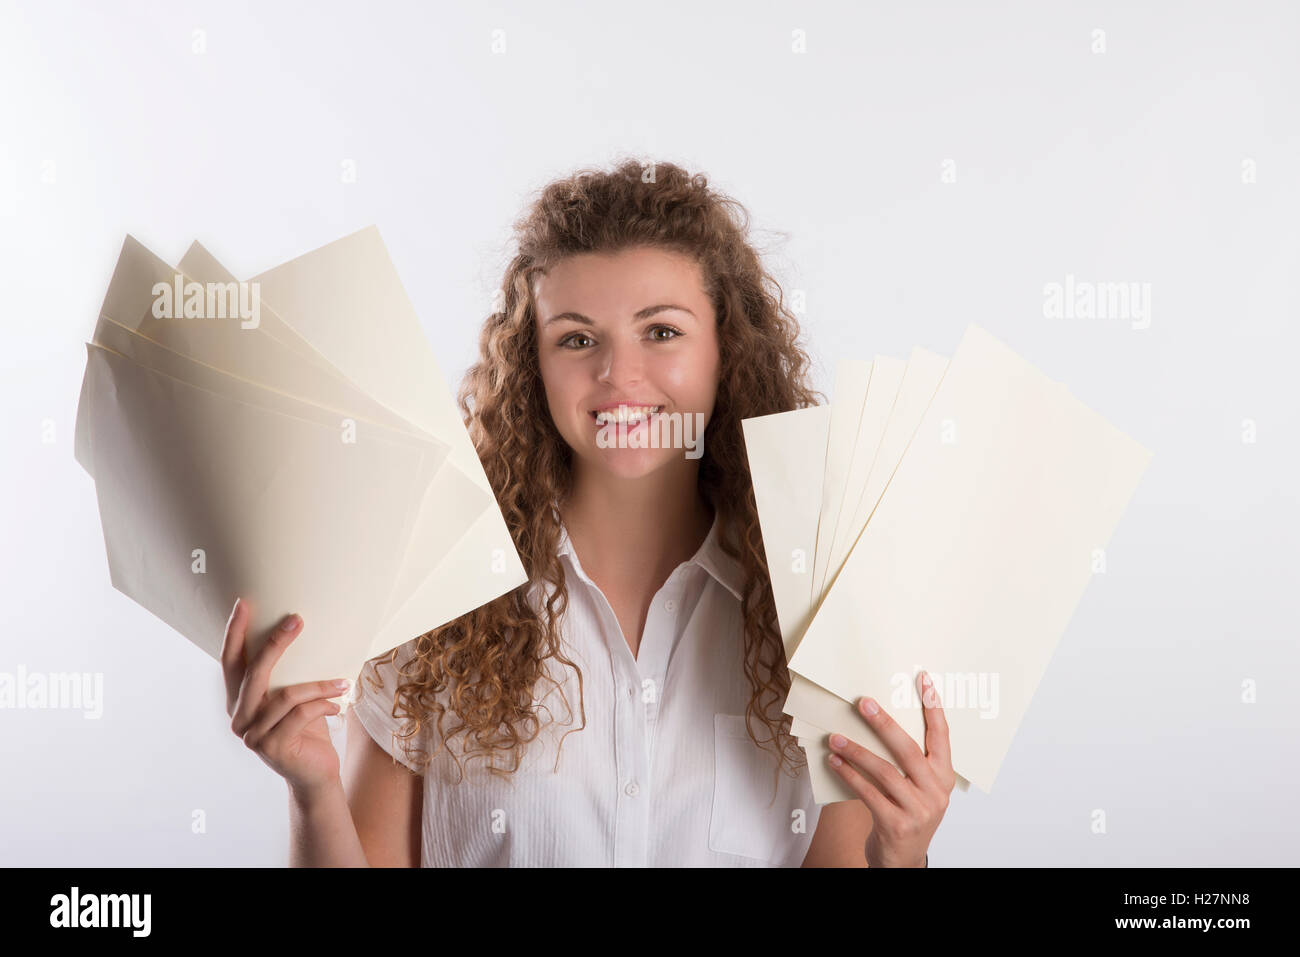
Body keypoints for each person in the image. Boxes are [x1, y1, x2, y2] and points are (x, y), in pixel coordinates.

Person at [221, 159, 955, 867]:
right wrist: (312, 788)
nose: (618, 376)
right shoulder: (434, 600)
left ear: (725, 349)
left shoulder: (820, 604)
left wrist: (901, 857)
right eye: (577, 339)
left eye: (661, 331)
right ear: (531, 362)